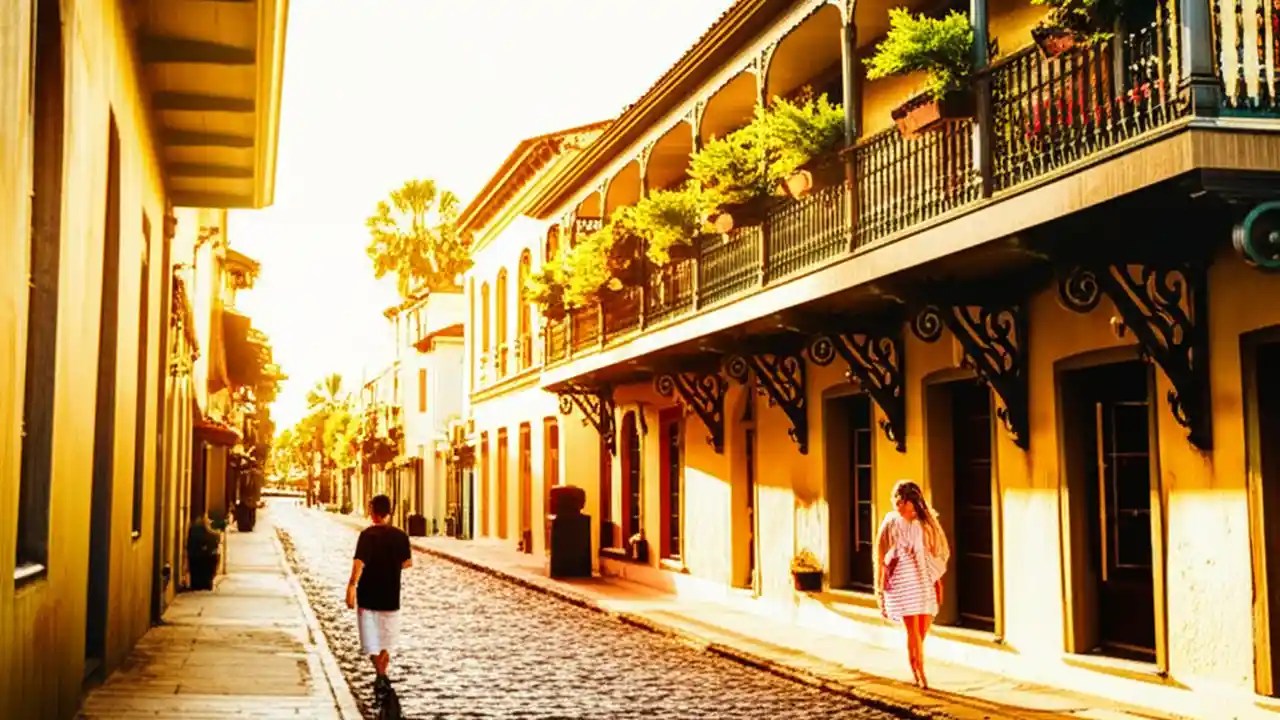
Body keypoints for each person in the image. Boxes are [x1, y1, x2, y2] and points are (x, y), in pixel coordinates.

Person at [875, 480, 950, 690]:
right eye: (896, 502)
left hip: (924, 579)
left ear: (912, 502)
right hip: (903, 579)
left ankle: (916, 663)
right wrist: (881, 589)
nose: (898, 506)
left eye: (902, 502)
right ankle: (920, 673)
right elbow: (881, 556)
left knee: (922, 629)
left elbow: (938, 553)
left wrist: (938, 582)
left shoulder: (927, 524)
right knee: (912, 630)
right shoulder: (891, 523)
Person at [346, 495, 412, 699]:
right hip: (391, 597)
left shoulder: (367, 535)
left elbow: (359, 563)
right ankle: (382, 675)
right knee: (386, 641)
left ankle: (380, 674)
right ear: (389, 512)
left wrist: (351, 585)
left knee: (371, 641)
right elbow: (407, 563)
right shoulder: (401, 536)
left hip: (368, 597)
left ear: (373, 512)